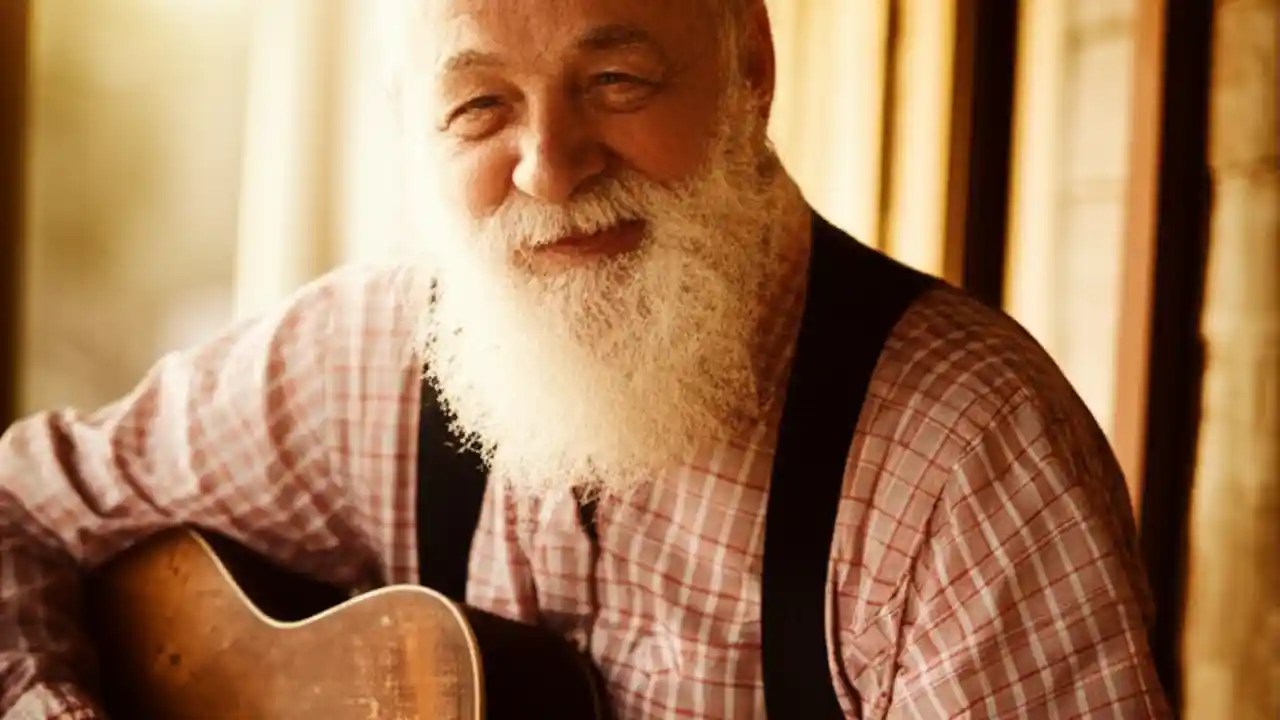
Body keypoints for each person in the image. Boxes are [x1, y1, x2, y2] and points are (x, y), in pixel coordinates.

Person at [0, 0, 1171, 717]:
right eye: (478, 107)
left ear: (749, 69)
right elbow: (21, 507)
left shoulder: (965, 458)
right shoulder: (368, 355)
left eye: (615, 81)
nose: (549, 166)